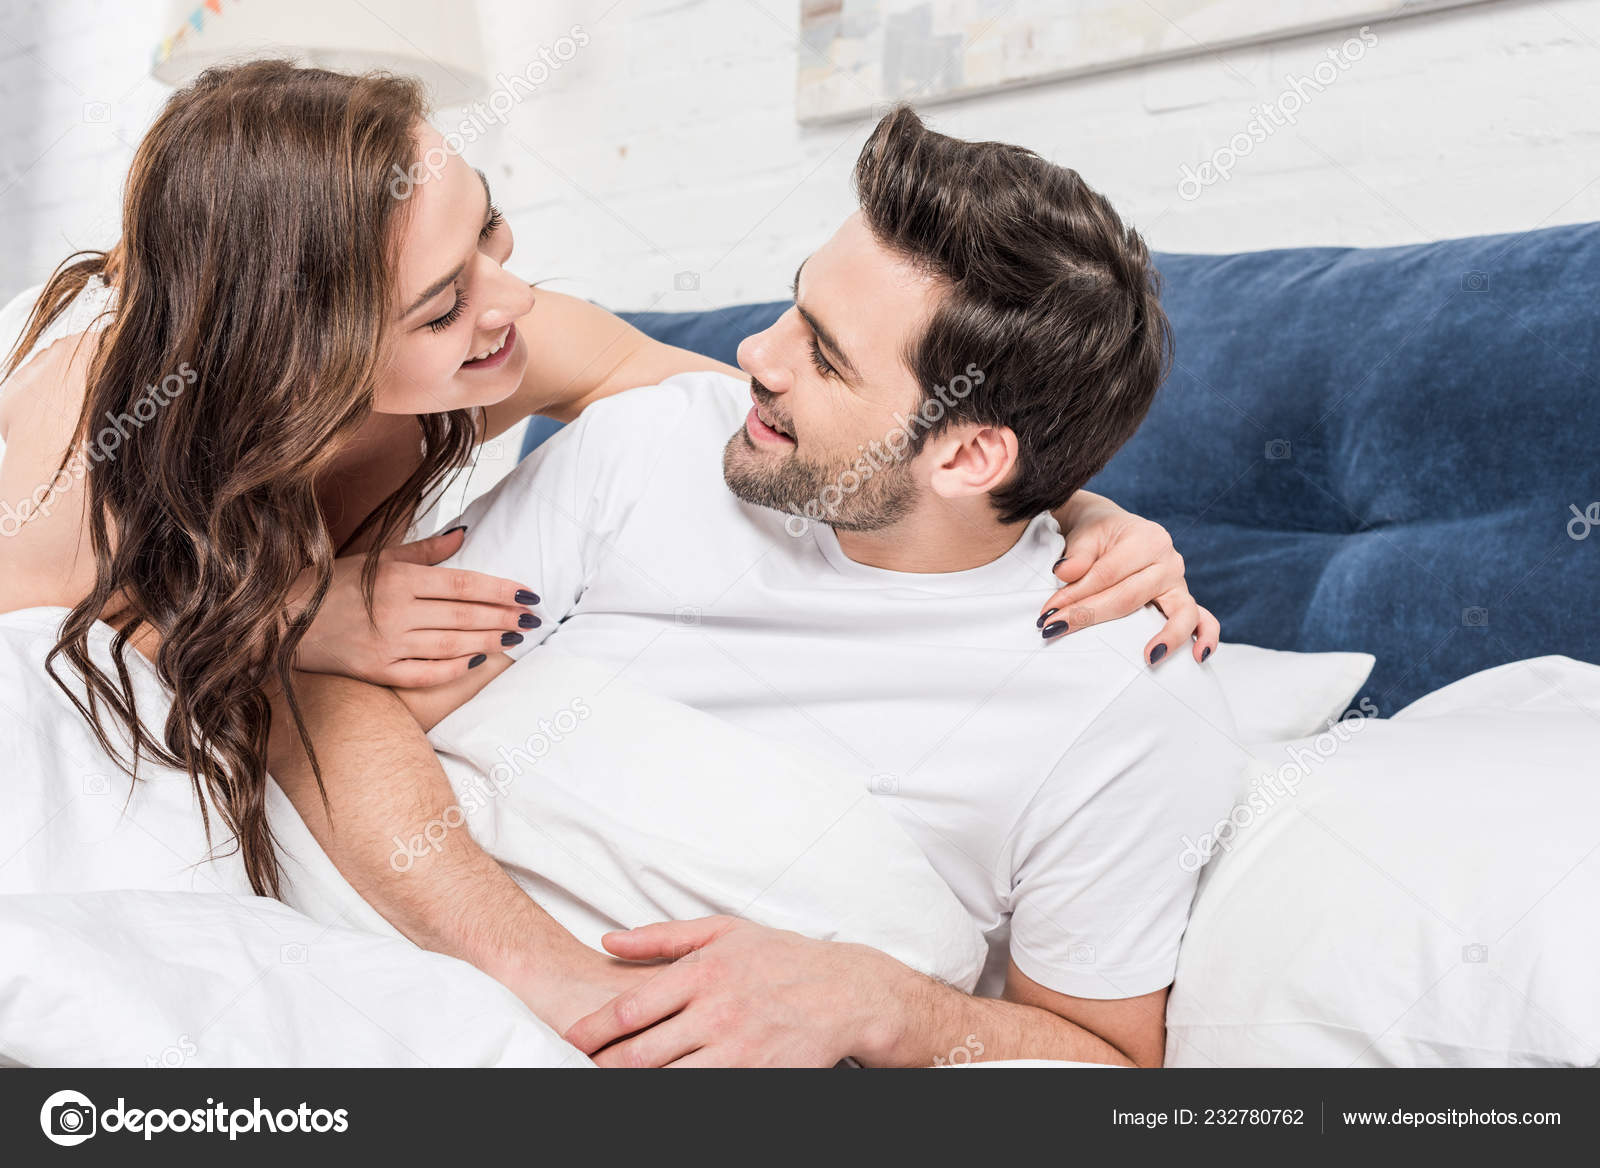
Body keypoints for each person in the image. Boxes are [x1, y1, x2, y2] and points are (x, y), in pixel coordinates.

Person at [0, 62, 1216, 1034]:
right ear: (300, 353)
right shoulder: (82, 444)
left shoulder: (506, 355)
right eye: (440, 300)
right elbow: (74, 643)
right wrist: (290, 610)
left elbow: (707, 406)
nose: (509, 300)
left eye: (494, 230)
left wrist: (1063, 505)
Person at [390, 106, 1247, 1066]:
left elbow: (1109, 1062)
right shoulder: (652, 444)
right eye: (793, 305)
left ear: (970, 455)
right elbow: (363, 704)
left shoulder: (1129, 710)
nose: (755, 354)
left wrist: (893, 1008)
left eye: (825, 355)